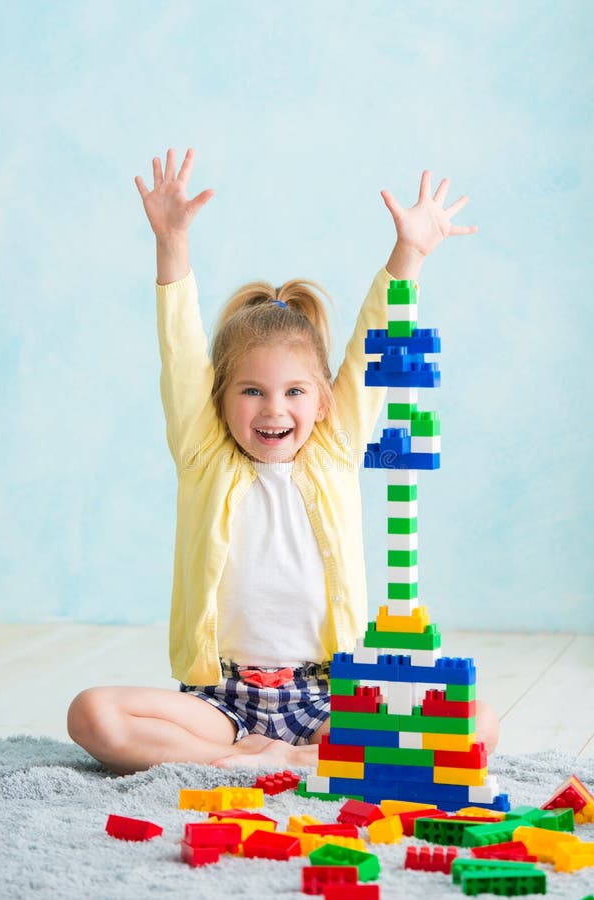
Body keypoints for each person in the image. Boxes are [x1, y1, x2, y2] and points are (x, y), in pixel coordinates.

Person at [67, 148, 499, 775]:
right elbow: (181, 351)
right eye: (252, 391)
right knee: (92, 713)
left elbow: (370, 348)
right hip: (220, 700)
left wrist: (409, 254)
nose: (275, 409)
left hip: (328, 694)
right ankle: (256, 759)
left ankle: (286, 756)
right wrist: (171, 244)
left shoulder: (336, 447)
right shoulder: (202, 453)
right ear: (219, 400)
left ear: (323, 401)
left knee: (476, 721)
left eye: (295, 391)